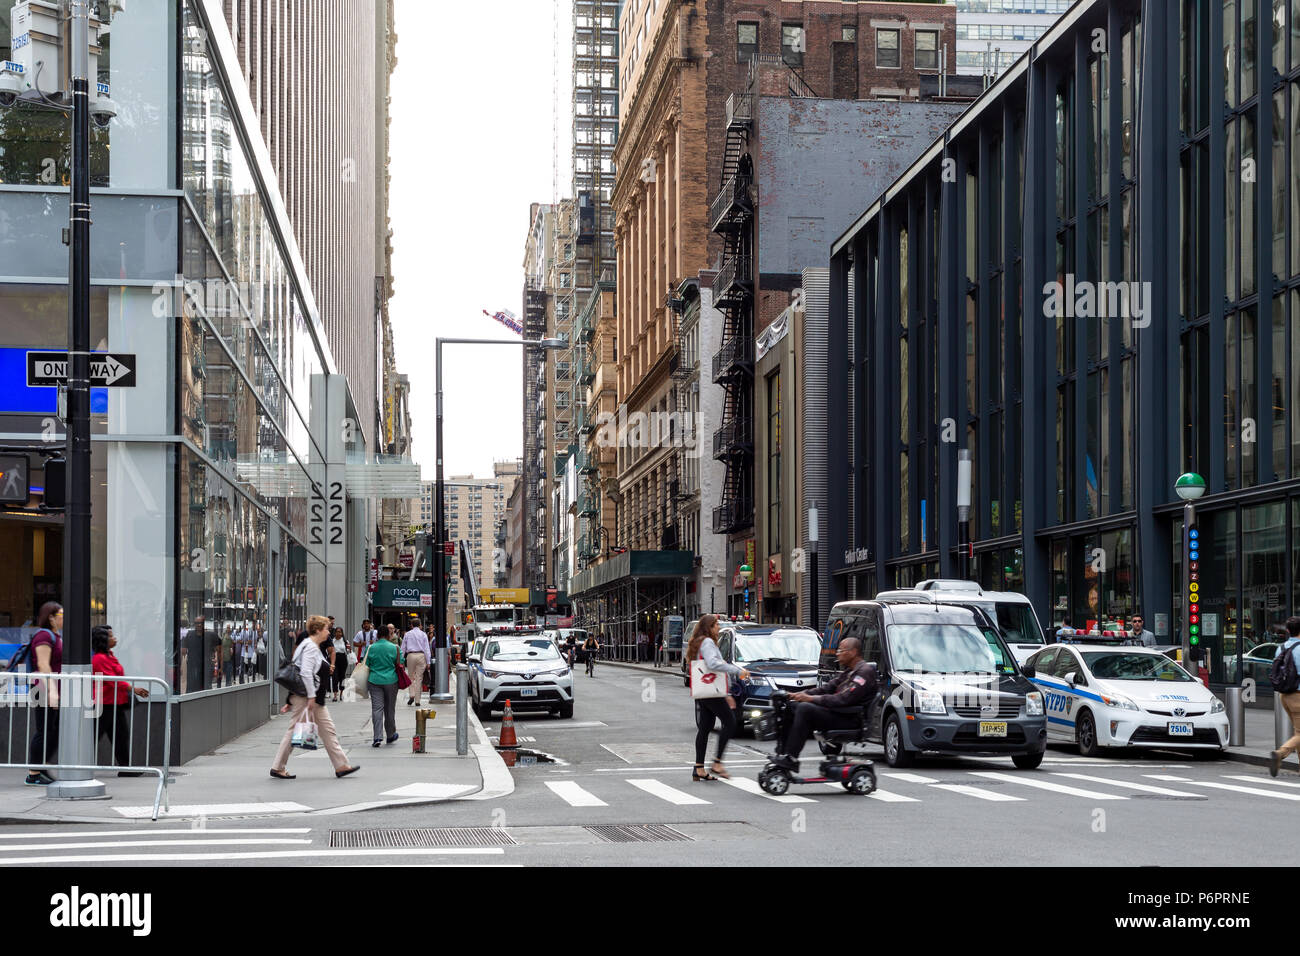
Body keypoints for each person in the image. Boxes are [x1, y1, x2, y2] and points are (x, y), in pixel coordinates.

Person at [269, 615, 359, 780]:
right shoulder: (310, 647)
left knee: (327, 730)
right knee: (298, 731)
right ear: (318, 630)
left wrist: (291, 699)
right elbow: (304, 673)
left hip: (309, 697)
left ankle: (341, 765)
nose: (328, 632)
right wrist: (310, 697)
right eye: (326, 629)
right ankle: (278, 767)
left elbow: (297, 671)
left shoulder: (308, 646)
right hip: (309, 698)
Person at [770, 637, 878, 773]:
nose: (837, 653)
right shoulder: (849, 671)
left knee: (805, 708)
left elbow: (843, 699)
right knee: (793, 706)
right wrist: (797, 695)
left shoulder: (864, 673)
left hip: (850, 719)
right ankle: (783, 753)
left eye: (840, 650)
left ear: (853, 652)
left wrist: (810, 699)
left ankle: (791, 758)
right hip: (839, 714)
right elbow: (826, 688)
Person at [686, 613, 749, 782]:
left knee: (706, 727)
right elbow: (713, 664)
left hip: (705, 691)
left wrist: (726, 693)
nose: (718, 628)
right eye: (716, 625)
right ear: (709, 627)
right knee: (729, 722)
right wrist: (737, 670)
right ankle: (717, 763)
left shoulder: (700, 642)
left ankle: (699, 768)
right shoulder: (707, 642)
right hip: (711, 691)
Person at [91, 625, 150, 775]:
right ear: (103, 640)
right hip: (104, 704)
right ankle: (78, 765)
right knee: (93, 737)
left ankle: (125, 768)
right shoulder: (99, 659)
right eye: (111, 636)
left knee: (120, 736)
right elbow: (112, 680)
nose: (114, 638)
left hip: (115, 703)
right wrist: (133, 689)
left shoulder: (110, 655)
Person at [25, 602, 63, 786]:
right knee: (44, 730)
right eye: (61, 613)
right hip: (42, 689)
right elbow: (43, 665)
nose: (64, 617)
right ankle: (34, 773)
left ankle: (42, 766)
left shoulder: (56, 636)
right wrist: (52, 691)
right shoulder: (43, 636)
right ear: (51, 617)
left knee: (53, 731)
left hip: (51, 689)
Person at [1270, 616, 1300, 777]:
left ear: (1288, 631)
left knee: (1298, 732)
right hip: (1298, 695)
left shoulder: (1281, 648)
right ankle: (1280, 753)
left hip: (1284, 696)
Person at [365, 625, 401, 746]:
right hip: (391, 680)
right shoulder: (395, 647)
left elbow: (367, 663)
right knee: (389, 709)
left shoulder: (371, 648)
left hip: (374, 680)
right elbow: (401, 662)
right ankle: (390, 735)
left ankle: (377, 737)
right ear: (388, 635)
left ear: (377, 635)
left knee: (377, 709)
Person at [401, 617, 430, 707]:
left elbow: (403, 648)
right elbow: (426, 649)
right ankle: (417, 700)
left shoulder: (407, 634)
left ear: (411, 625)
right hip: (421, 655)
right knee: (419, 678)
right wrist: (428, 661)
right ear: (420, 625)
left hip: (411, 656)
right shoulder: (423, 634)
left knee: (411, 677)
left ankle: (412, 694)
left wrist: (401, 660)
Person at [330, 626, 349, 701]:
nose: (338, 633)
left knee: (342, 677)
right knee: (335, 677)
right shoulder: (332, 641)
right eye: (337, 632)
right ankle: (335, 695)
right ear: (335, 633)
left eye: (340, 632)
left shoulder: (345, 641)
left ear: (342, 633)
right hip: (334, 659)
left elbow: (348, 651)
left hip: (343, 659)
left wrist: (349, 649)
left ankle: (341, 694)